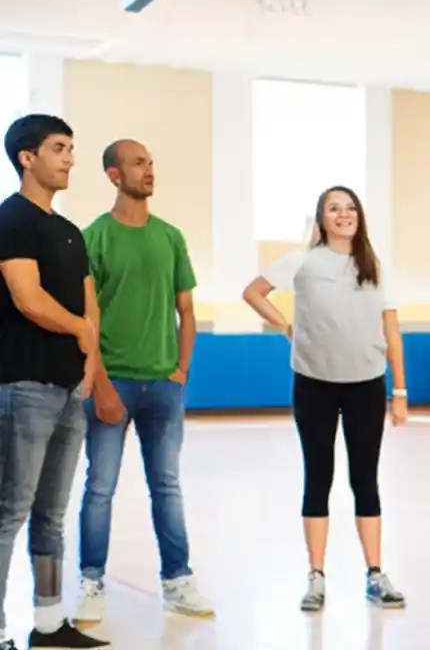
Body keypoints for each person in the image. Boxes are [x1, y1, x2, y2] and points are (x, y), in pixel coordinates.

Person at [242, 185, 410, 613]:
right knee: (318, 478)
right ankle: (316, 576)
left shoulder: (373, 265)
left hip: (366, 385)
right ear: (321, 219)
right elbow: (253, 292)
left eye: (350, 208)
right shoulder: (303, 260)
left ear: (360, 216)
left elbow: (392, 330)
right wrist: (286, 327)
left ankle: (375, 574)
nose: (343, 214)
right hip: (315, 384)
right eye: (334, 208)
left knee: (365, 480)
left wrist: (400, 390)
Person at [74, 139, 213, 625]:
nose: (149, 170)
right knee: (100, 487)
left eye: (151, 161)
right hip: (113, 384)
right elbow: (86, 320)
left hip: (164, 386)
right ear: (114, 175)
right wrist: (103, 385)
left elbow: (187, 311)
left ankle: (178, 579)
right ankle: (90, 581)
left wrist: (180, 372)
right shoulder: (94, 237)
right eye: (138, 163)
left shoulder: (171, 237)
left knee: (167, 486)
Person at [0, 114, 110, 649]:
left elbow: (87, 297)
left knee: (51, 514)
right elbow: (28, 296)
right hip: (24, 388)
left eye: (71, 147)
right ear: (27, 157)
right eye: (59, 148)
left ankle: (48, 625)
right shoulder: (12, 218)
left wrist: (89, 360)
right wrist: (80, 330)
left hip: (70, 390)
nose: (70, 158)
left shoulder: (68, 230)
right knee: (10, 511)